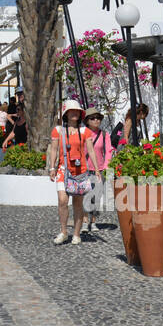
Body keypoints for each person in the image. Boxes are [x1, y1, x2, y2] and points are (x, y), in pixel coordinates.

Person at [48, 100, 97, 245]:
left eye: (77, 111)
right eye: (72, 111)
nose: (75, 113)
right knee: (63, 200)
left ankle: (76, 234)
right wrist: (52, 167)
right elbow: (54, 150)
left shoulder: (84, 131)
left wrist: (97, 169)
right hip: (63, 170)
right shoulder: (58, 130)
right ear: (66, 114)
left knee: (77, 203)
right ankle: (64, 231)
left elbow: (91, 150)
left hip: (80, 171)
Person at [82, 111, 114, 234]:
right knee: (85, 196)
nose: (96, 120)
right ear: (87, 121)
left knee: (96, 197)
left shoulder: (104, 135)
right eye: (92, 118)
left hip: (99, 170)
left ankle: (93, 221)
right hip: (85, 170)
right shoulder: (83, 133)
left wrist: (106, 167)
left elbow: (109, 152)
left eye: (98, 118)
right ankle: (85, 222)